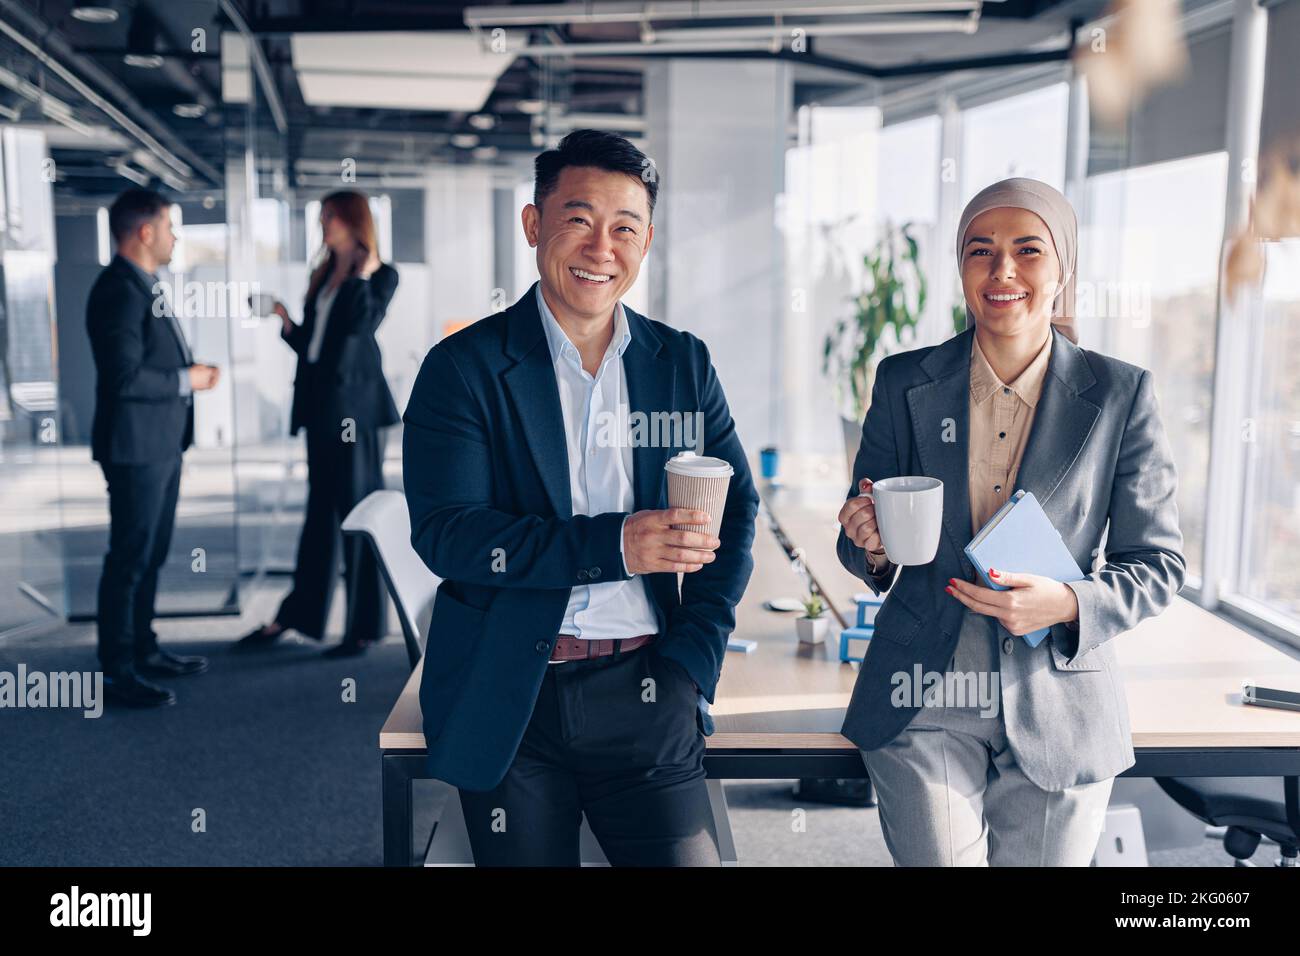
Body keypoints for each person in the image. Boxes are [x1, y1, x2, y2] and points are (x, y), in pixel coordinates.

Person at [402, 129, 758, 866]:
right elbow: (449, 534)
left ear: (646, 241)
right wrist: (614, 545)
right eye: (579, 219)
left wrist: (693, 661)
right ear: (535, 225)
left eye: (625, 227)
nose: (602, 247)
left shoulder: (680, 363)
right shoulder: (463, 368)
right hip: (509, 693)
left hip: (649, 688)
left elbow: (737, 512)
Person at [836, 177, 1186, 866]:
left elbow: (1158, 564)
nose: (1002, 271)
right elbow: (862, 547)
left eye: (1028, 250)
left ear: (1063, 268)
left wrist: (1068, 602)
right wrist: (869, 543)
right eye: (980, 251)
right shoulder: (904, 382)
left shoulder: (1121, 394)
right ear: (961, 267)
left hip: (1062, 690)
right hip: (924, 688)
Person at [237, 190, 399, 658]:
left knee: (358, 515)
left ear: (353, 221)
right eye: (322, 217)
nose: (323, 225)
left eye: (330, 217)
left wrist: (360, 276)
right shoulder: (324, 273)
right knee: (319, 518)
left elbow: (361, 327)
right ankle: (299, 615)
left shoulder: (381, 275)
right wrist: (285, 318)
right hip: (321, 407)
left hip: (356, 412)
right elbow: (315, 348)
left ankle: (364, 627)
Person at [88, 188, 217, 708]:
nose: (174, 237)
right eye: (168, 227)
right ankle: (118, 669)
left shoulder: (142, 284)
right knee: (130, 558)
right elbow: (122, 377)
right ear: (145, 232)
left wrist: (187, 375)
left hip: (159, 445)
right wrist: (188, 379)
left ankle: (143, 647)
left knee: (150, 555)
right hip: (135, 447)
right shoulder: (119, 290)